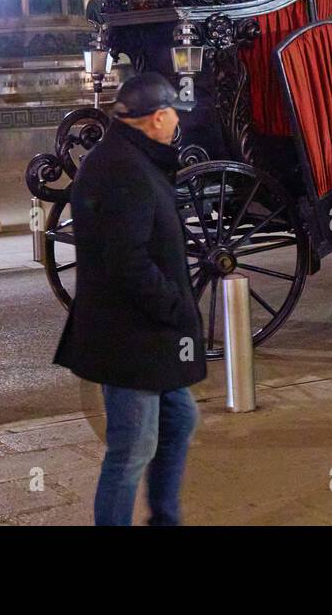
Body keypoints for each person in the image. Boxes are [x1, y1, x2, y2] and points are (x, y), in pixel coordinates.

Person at [54, 72, 205, 525]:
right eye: (174, 113)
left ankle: (164, 518)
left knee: (178, 420)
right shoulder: (124, 169)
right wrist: (175, 307)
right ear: (157, 119)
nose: (178, 122)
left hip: (145, 336)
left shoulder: (128, 157)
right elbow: (127, 262)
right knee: (132, 448)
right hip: (131, 336)